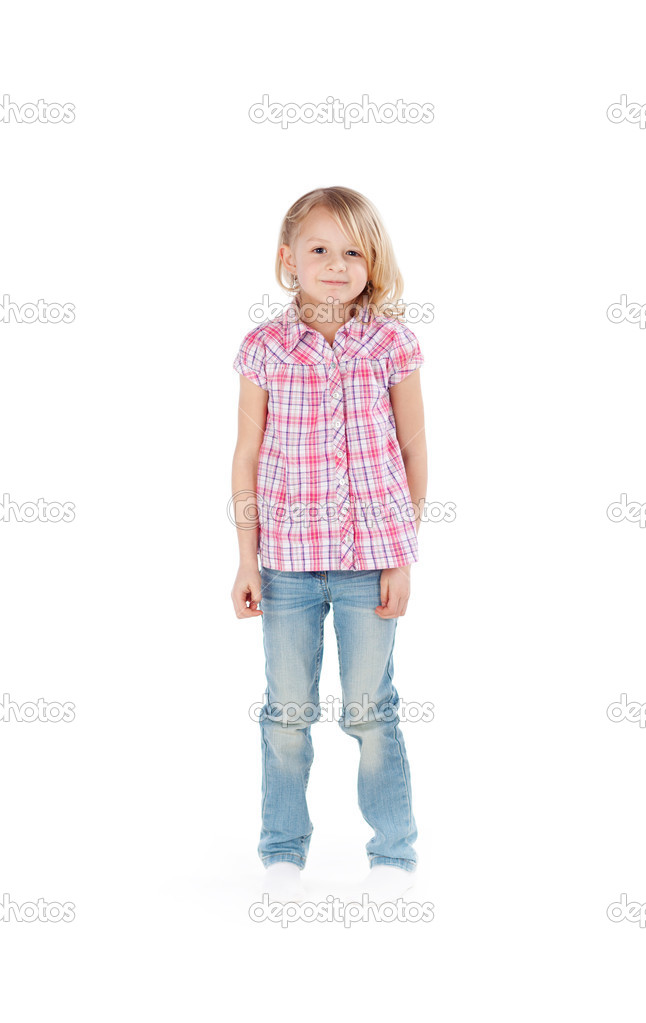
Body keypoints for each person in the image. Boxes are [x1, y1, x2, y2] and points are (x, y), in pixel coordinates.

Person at [231, 186, 427, 904]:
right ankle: (282, 853)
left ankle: (394, 854)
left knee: (371, 709)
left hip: (369, 564)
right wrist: (247, 559)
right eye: (319, 249)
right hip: (284, 563)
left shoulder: (391, 343)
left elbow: (412, 448)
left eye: (352, 251)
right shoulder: (264, 348)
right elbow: (247, 452)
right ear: (288, 259)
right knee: (287, 710)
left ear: (372, 262)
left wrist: (401, 554)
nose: (336, 264)